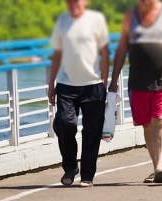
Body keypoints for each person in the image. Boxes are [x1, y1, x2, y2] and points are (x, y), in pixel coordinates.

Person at [109, 0, 162, 184]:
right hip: (139, 81)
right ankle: (156, 169)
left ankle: (160, 167)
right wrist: (114, 80)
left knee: (160, 121)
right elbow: (122, 50)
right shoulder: (131, 17)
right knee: (147, 124)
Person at [48, 0, 109, 188]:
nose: (74, 3)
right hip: (66, 84)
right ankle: (70, 167)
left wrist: (105, 81)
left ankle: (87, 175)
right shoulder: (63, 21)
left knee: (92, 132)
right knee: (65, 124)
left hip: (93, 84)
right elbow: (57, 54)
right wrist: (51, 84)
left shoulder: (96, 19)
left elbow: (105, 53)